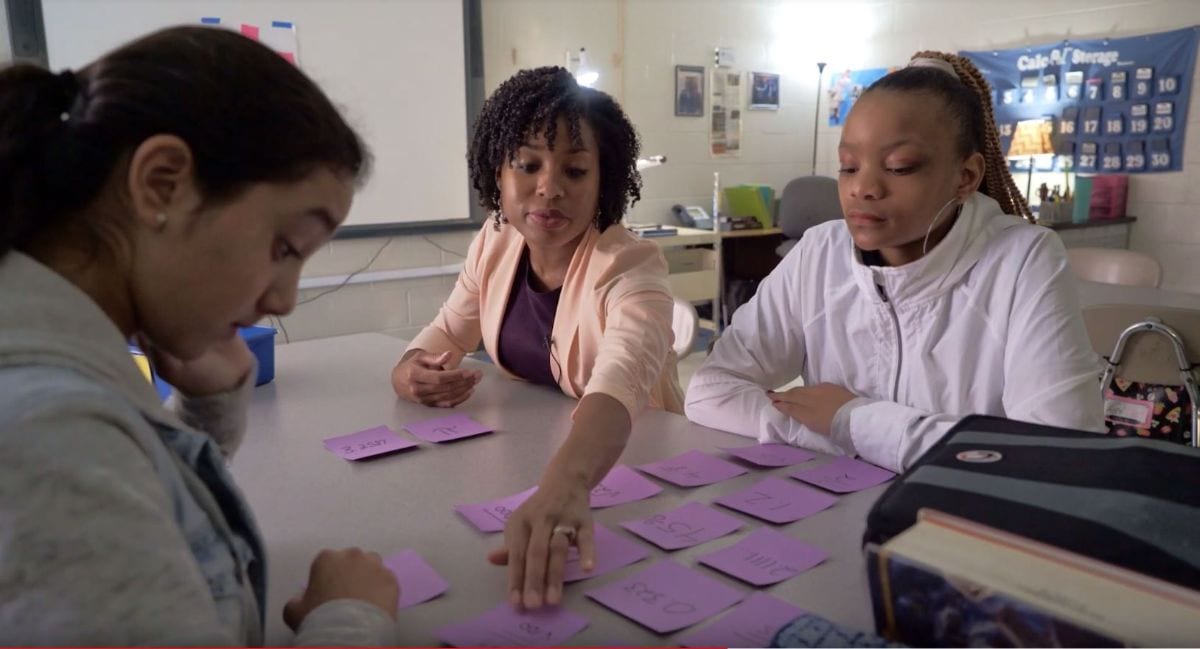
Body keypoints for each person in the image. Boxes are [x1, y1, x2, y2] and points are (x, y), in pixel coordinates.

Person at [0, 26, 399, 644]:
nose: (284, 300)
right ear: (162, 182)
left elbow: (143, 516)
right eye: (285, 247)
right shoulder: (49, 436)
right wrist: (350, 616)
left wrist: (207, 410)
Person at [685, 51, 1104, 474]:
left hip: (957, 512)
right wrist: (824, 435)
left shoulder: (1023, 260)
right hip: (836, 502)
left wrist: (852, 420)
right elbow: (711, 389)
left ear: (965, 177)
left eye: (899, 167)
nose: (863, 188)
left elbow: (1059, 456)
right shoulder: (819, 252)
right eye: (848, 167)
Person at [391, 66, 682, 609]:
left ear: (603, 183)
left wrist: (566, 484)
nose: (549, 187)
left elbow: (618, 384)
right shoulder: (496, 239)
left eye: (575, 170)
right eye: (527, 165)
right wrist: (410, 370)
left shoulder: (631, 265)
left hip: (634, 467)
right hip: (525, 460)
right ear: (497, 172)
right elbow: (448, 330)